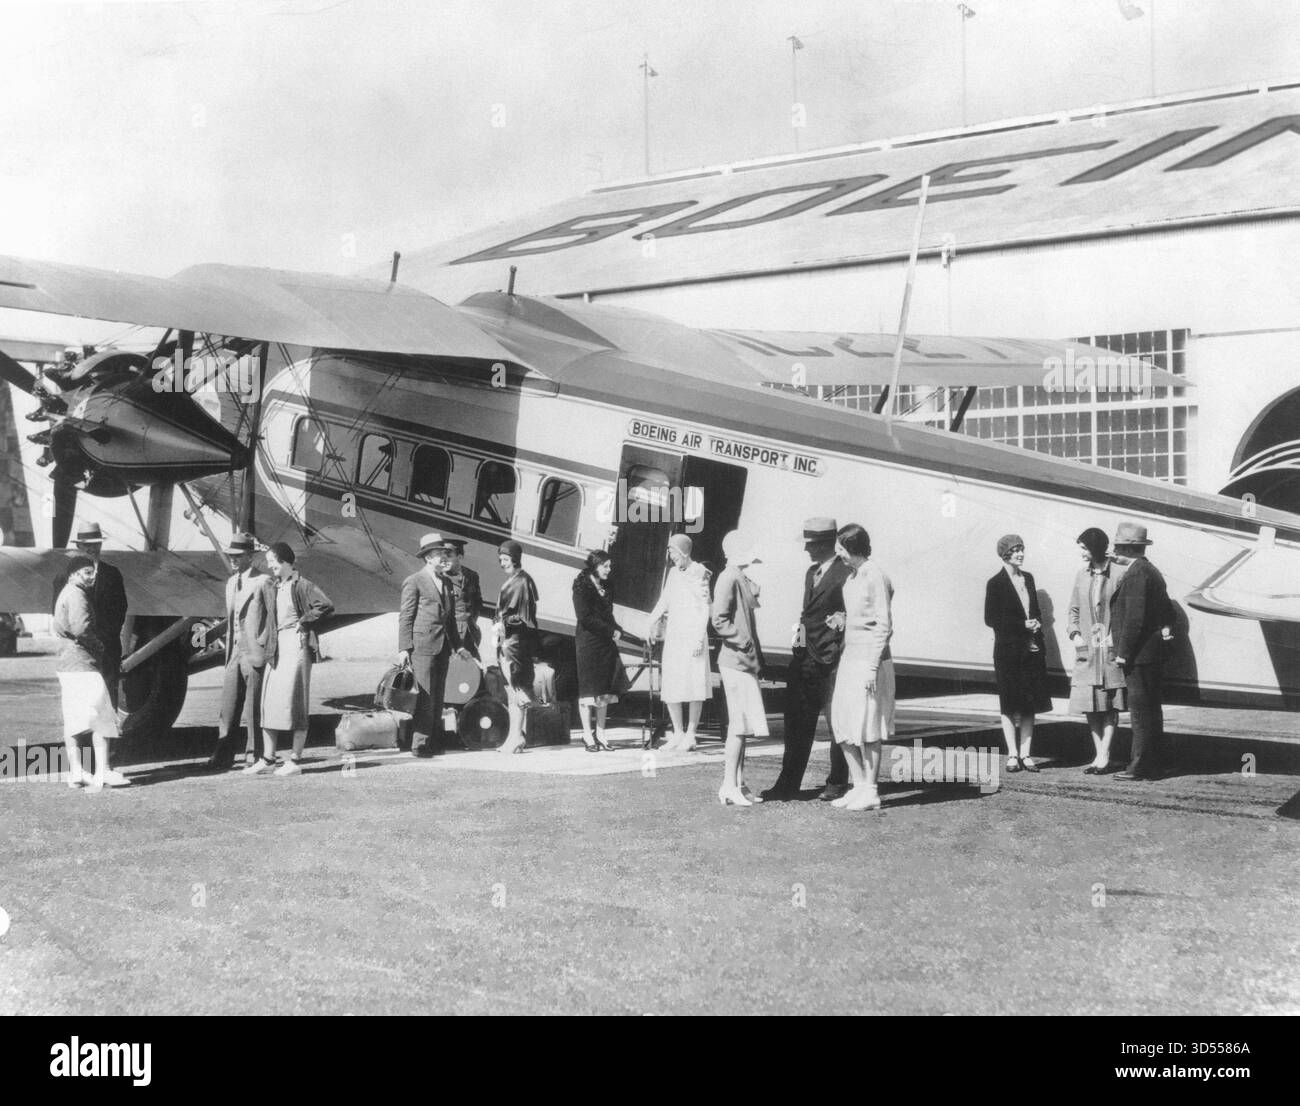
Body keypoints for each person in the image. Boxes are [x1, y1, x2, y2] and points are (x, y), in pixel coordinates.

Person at [763, 516, 852, 802]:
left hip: (832, 660)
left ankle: (837, 783)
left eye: (812, 545)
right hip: (805, 660)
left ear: (827, 544)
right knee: (797, 722)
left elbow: (854, 610)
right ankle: (787, 784)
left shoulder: (845, 572)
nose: (807, 550)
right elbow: (806, 615)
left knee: (837, 723)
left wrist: (840, 628)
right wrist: (797, 648)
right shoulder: (811, 572)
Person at [248, 543, 334, 775]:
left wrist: (304, 620)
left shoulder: (302, 584)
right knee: (269, 703)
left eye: (272, 560)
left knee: (295, 703)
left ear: (285, 561)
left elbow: (325, 605)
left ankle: (294, 761)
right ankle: (268, 760)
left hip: (296, 647)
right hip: (277, 647)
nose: (269, 565)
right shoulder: (275, 586)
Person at [827, 524, 894, 811]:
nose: (837, 552)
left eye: (841, 547)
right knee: (843, 722)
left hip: (870, 658)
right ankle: (859, 785)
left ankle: (872, 791)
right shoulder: (853, 575)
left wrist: (871, 666)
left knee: (868, 725)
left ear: (852, 546)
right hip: (850, 654)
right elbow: (861, 612)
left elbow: (884, 624)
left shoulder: (874, 573)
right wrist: (844, 619)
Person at [52, 556, 130, 791]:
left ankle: (76, 772)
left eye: (93, 572)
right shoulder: (77, 594)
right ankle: (103, 771)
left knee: (74, 720)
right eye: (87, 572)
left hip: (67, 664)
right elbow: (81, 628)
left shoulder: (65, 592)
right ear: (74, 574)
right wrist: (100, 646)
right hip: (83, 664)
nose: (92, 576)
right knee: (102, 717)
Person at [398, 532, 472, 757]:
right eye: (440, 553)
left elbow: (449, 620)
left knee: (438, 697)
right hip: (422, 646)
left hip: (443, 648)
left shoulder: (447, 583)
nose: (444, 557)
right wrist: (403, 648)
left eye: (445, 553)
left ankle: (434, 741)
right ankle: (419, 744)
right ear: (428, 557)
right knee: (425, 696)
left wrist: (458, 646)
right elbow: (406, 616)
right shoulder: (414, 581)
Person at [1109, 521, 1172, 781]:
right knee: (1152, 711)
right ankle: (1155, 764)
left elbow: (1134, 619)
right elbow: (1167, 610)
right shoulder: (1151, 571)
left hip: (1139, 656)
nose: (1113, 552)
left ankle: (1139, 767)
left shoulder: (1136, 574)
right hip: (1152, 654)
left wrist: (1123, 652)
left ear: (1128, 548)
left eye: (1117, 547)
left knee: (1140, 713)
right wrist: (1166, 629)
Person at [984, 533, 1052, 773]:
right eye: (1015, 550)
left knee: (1029, 704)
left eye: (1022, 549)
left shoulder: (1029, 579)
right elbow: (990, 619)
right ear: (1005, 554)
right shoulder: (995, 583)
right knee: (1009, 704)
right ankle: (1012, 754)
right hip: (1007, 652)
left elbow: (1036, 612)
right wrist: (1021, 625)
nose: (1021, 554)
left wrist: (1036, 623)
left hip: (1031, 650)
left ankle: (1026, 753)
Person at [206, 532, 271, 771]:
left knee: (253, 708)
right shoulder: (231, 583)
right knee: (228, 706)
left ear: (251, 557)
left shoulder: (264, 581)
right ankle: (222, 756)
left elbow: (271, 619)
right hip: (233, 652)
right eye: (231, 555)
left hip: (254, 651)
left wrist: (265, 646)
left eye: (238, 555)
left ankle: (254, 755)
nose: (233, 559)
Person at [711, 532, 768, 805]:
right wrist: (743, 641)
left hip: (742, 661)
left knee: (742, 726)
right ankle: (728, 785)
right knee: (737, 725)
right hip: (735, 660)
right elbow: (718, 619)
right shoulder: (729, 576)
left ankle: (739, 784)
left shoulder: (737, 575)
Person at [1067, 527, 1127, 774]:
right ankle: (1099, 754)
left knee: (1110, 704)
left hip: (1110, 650)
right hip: (1088, 651)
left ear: (1095, 548)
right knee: (1090, 705)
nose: (1081, 552)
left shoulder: (1120, 574)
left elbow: (1126, 610)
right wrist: (1075, 634)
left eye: (1084, 548)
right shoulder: (1081, 575)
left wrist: (1118, 635)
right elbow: (1073, 610)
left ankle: (1104, 754)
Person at [52, 523, 128, 710]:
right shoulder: (62, 578)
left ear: (101, 545)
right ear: (78, 547)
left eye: (96, 543)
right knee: (79, 700)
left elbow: (120, 609)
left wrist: (102, 640)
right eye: (87, 545)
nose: (92, 548)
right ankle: (84, 737)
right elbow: (57, 613)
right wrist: (84, 639)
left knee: (108, 695)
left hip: (107, 646)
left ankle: (111, 737)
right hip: (80, 652)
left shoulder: (112, 574)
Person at [647, 533, 711, 751]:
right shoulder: (674, 573)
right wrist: (650, 621)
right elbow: (664, 600)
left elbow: (705, 607)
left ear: (684, 551)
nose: (671, 557)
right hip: (675, 635)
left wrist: (699, 638)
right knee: (672, 683)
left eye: (673, 552)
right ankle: (678, 732)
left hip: (693, 635)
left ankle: (691, 734)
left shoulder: (700, 572)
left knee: (694, 685)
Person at [572, 550, 627, 751]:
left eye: (609, 566)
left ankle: (601, 734)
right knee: (588, 691)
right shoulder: (581, 586)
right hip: (588, 643)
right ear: (595, 566)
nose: (609, 570)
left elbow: (607, 615)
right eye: (606, 566)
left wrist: (617, 629)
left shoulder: (607, 586)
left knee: (604, 691)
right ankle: (587, 735)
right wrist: (610, 630)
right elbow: (584, 617)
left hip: (605, 643)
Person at [495, 539, 540, 755]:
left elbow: (524, 618)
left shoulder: (521, 582)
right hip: (511, 643)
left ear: (514, 559)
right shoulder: (518, 580)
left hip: (515, 644)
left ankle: (515, 738)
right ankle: (516, 736)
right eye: (500, 559)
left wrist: (502, 624)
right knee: (514, 691)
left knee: (517, 690)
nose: (502, 563)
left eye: (505, 559)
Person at [444, 539, 483, 659]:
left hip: (470, 633)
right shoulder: (441, 578)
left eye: (449, 555)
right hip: (450, 635)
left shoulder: (472, 576)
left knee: (475, 670)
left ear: (460, 557)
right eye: (443, 555)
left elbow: (477, 602)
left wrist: (471, 621)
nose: (444, 559)